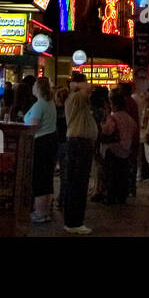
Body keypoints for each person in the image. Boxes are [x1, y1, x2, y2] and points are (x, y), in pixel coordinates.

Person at [62, 76, 98, 234]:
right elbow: (87, 89)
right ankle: (74, 222)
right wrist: (79, 85)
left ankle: (73, 220)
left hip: (79, 143)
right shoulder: (76, 97)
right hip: (79, 144)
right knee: (78, 182)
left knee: (77, 182)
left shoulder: (75, 100)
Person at [24, 76, 58, 223]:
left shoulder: (39, 105)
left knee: (39, 178)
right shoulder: (50, 103)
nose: (32, 88)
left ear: (38, 88)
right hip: (50, 141)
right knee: (47, 177)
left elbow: (34, 125)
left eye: (34, 85)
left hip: (40, 143)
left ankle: (39, 212)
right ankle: (45, 211)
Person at [100, 88, 136, 205]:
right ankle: (121, 196)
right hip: (126, 149)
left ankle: (110, 196)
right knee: (122, 175)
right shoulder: (129, 119)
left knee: (111, 174)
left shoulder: (113, 118)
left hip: (113, 149)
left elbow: (107, 131)